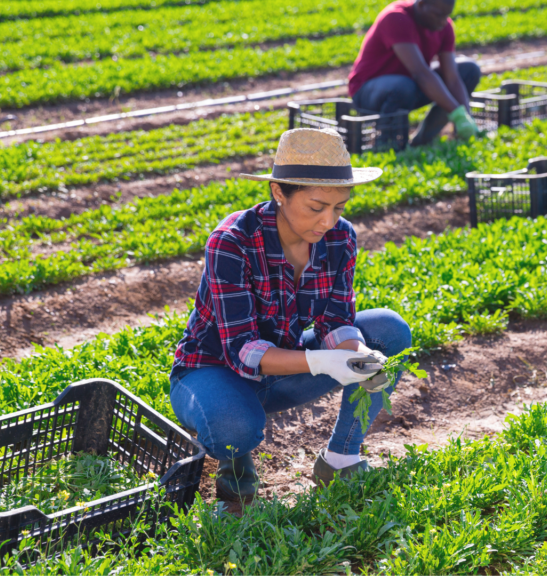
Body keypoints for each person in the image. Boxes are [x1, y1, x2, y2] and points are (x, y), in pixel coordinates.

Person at [169, 128, 412, 502]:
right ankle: (236, 490)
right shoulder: (232, 242)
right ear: (279, 193)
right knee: (234, 426)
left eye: (339, 207)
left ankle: (341, 460)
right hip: (211, 371)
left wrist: (355, 353)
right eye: (316, 207)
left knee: (388, 329)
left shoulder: (339, 239)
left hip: (283, 366)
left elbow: (336, 320)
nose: (329, 220)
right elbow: (244, 350)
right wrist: (323, 360)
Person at [348, 0, 482, 146]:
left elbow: (453, 79)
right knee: (403, 86)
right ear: (421, 5)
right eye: (438, 15)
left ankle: (424, 140)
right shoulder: (396, 17)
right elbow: (420, 73)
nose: (443, 21)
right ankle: (389, 143)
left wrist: (465, 115)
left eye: (447, 15)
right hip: (368, 90)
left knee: (469, 70)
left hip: (409, 86)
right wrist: (456, 113)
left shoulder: (443, 26)